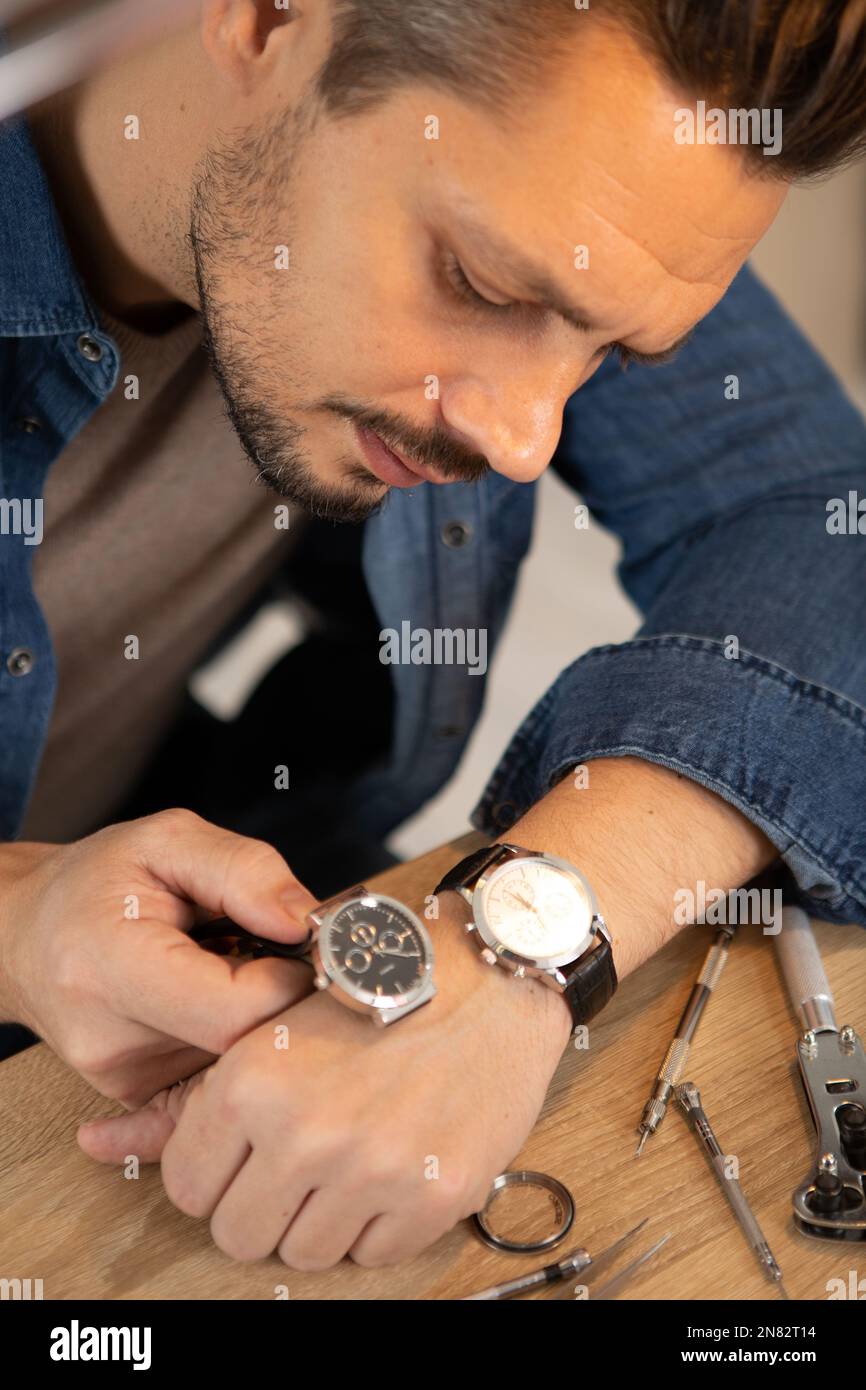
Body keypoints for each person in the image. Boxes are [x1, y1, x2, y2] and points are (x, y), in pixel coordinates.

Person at [0, 0, 864, 1270]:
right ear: (264, 19)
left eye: (612, 352)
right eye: (484, 285)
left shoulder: (563, 161)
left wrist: (527, 941)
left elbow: (818, 519)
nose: (523, 438)